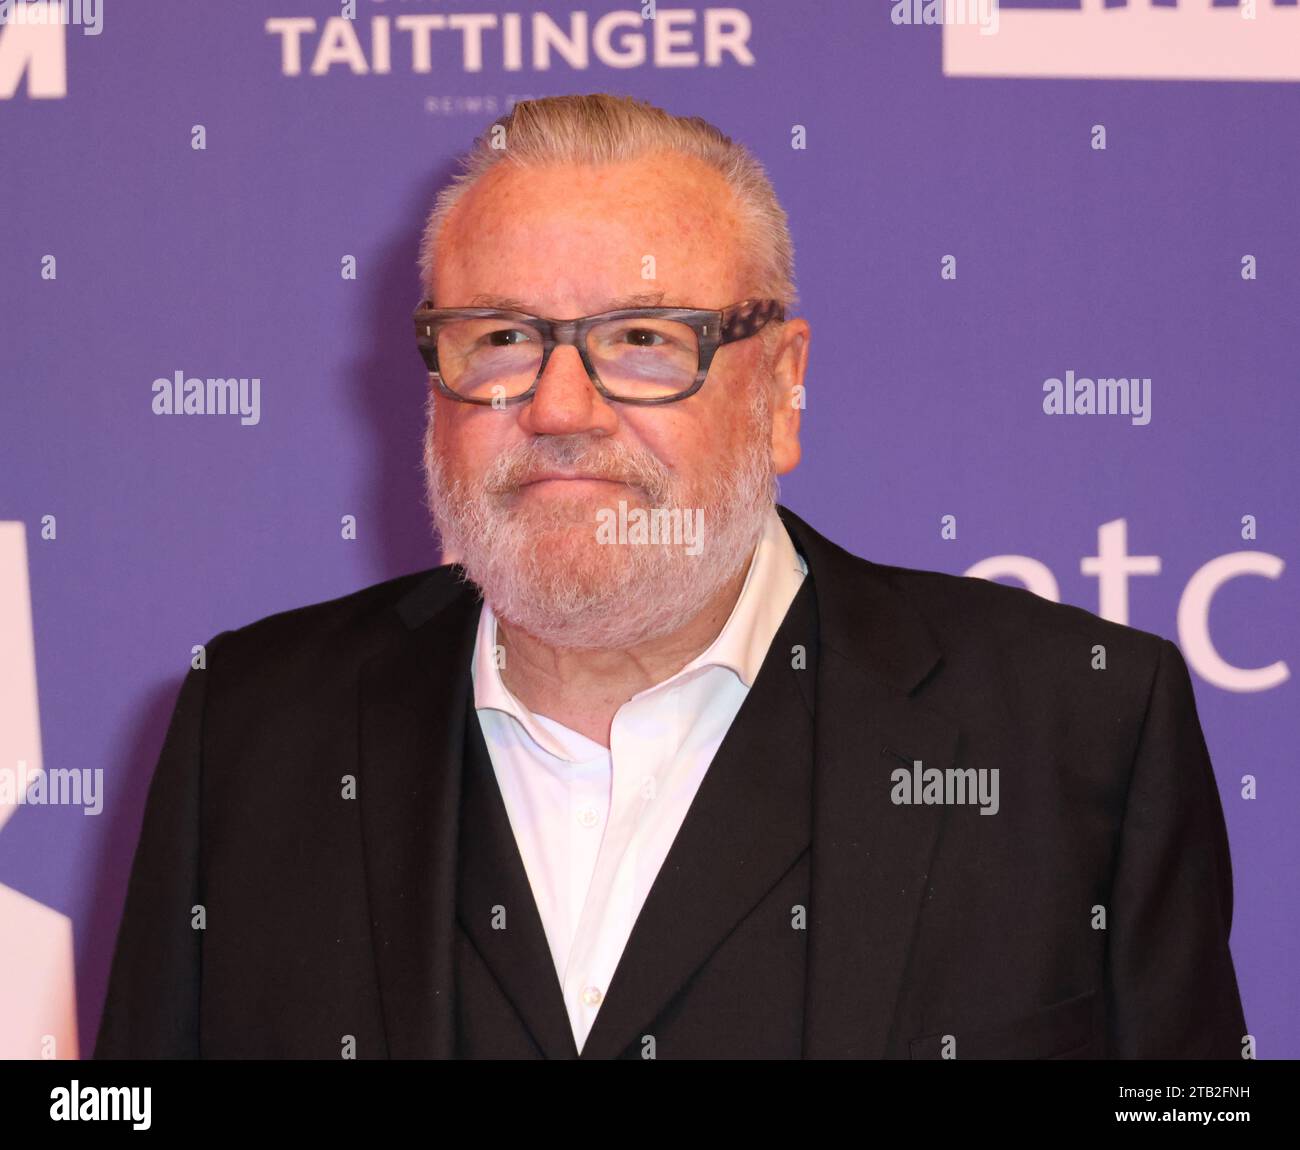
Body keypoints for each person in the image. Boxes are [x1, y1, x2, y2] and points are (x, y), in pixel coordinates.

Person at [94, 93, 1245, 1060]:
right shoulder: (251, 726)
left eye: (644, 339)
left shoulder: (1076, 728)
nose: (557, 408)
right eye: (498, 337)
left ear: (782, 387)